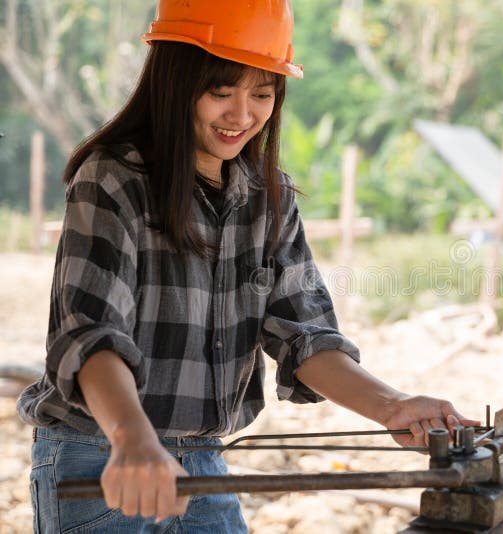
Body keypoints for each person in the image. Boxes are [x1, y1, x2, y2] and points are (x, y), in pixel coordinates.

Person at [16, 1, 479, 532]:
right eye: (221, 92)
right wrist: (133, 439)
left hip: (203, 460)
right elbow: (91, 334)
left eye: (262, 94)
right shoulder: (114, 178)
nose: (242, 115)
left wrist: (393, 406)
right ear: (173, 79)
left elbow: (304, 336)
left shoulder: (269, 194)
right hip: (100, 456)